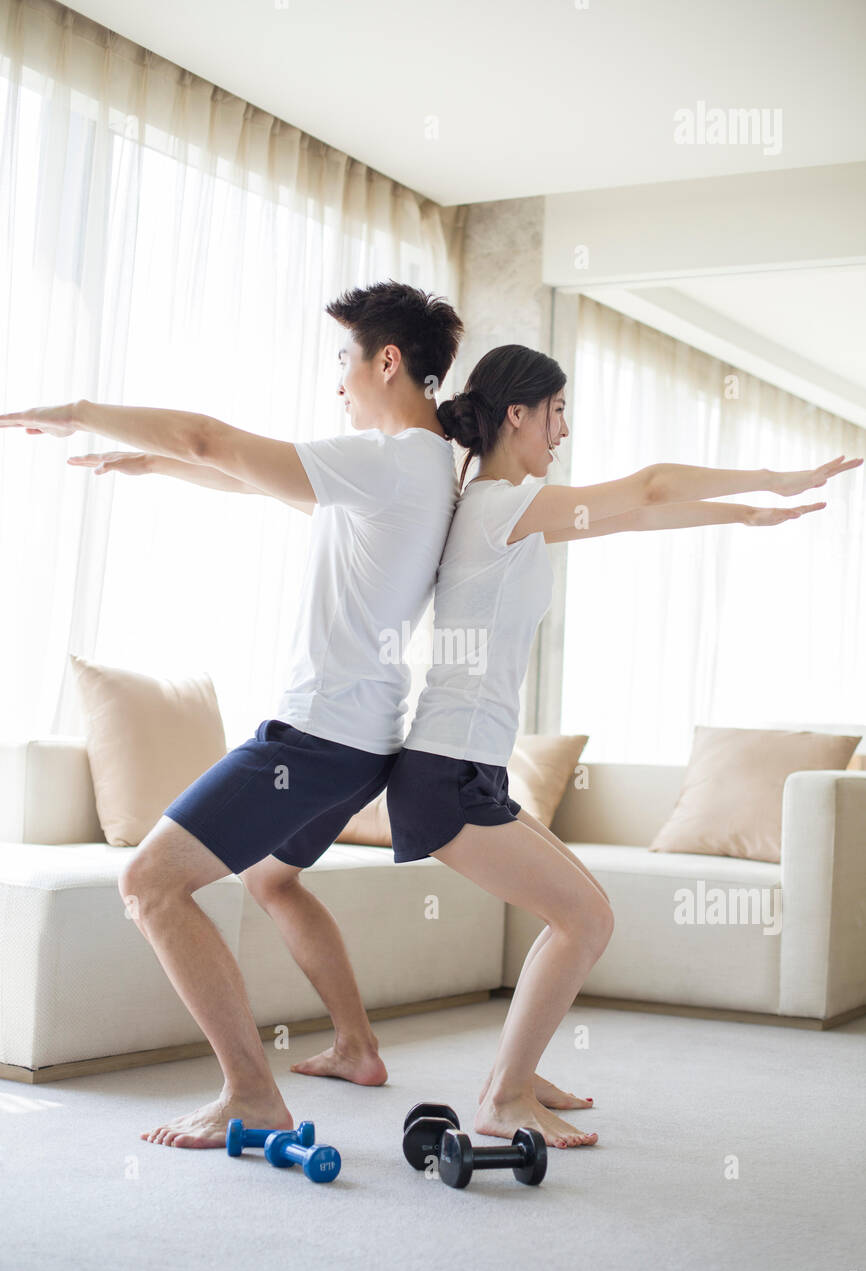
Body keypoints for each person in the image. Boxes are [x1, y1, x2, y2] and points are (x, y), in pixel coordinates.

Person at [0, 280, 465, 1148]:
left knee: (148, 883)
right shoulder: (422, 468)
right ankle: (358, 1045)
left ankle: (251, 1094)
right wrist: (163, 465)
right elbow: (265, 484)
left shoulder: (397, 458)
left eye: (345, 360)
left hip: (317, 738)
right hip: (360, 740)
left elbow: (212, 436)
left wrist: (82, 411)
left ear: (387, 360)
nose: (338, 381)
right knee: (271, 877)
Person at [384, 343, 862, 1149]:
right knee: (587, 920)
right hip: (442, 771)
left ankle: (520, 1070)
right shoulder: (500, 506)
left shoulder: (512, 508)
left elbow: (640, 511)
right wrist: (772, 477)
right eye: (557, 412)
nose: (563, 430)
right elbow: (645, 486)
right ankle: (502, 1100)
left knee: (576, 908)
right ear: (517, 415)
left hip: (471, 768)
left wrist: (742, 517)